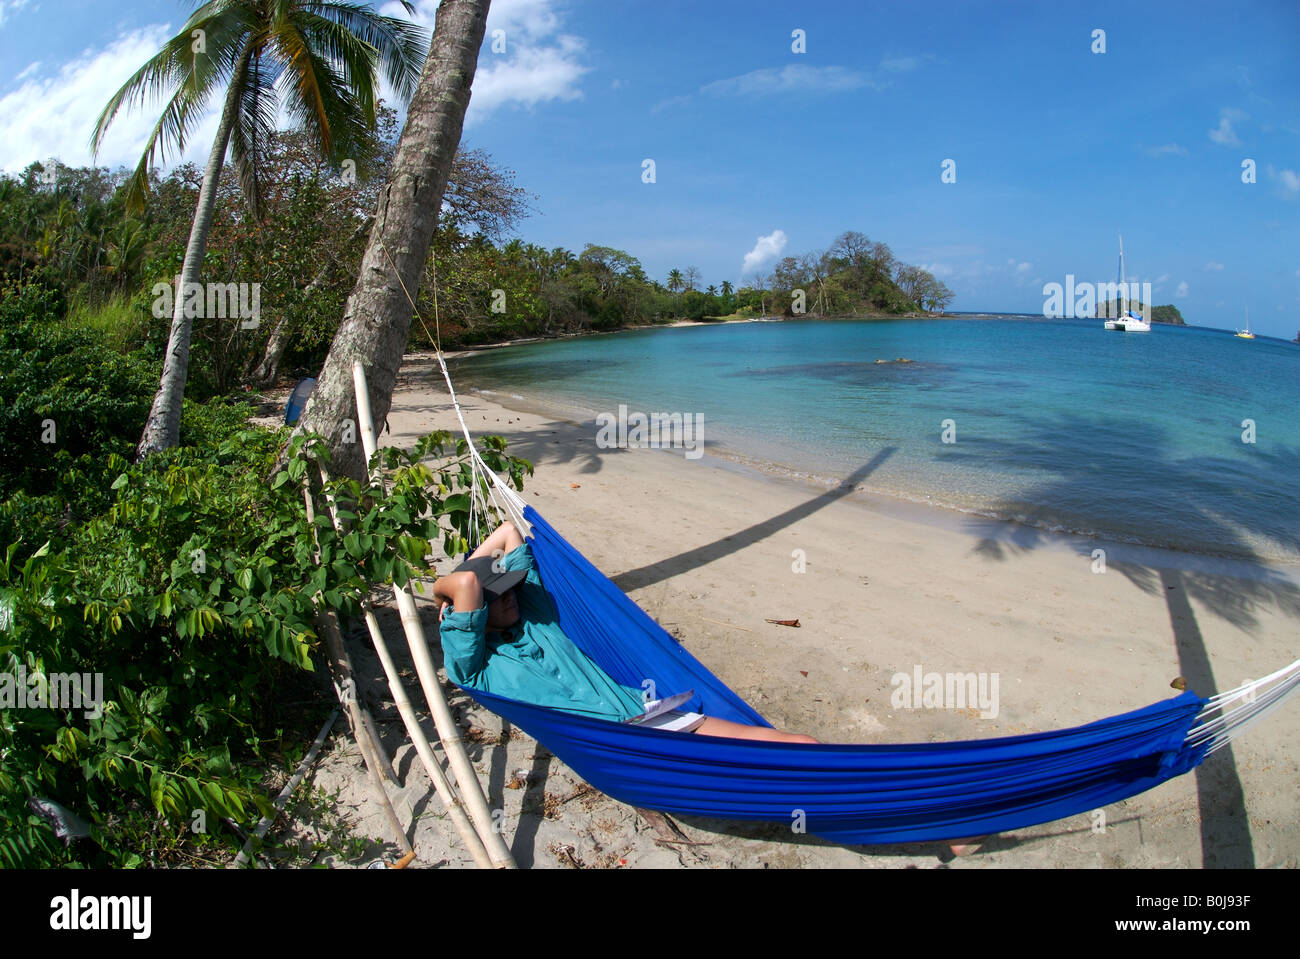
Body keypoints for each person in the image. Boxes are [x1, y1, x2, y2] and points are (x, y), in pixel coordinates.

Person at [431, 520, 817, 744]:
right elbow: (464, 584)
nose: (511, 597)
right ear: (474, 614)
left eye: (512, 589)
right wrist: (441, 593)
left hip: (642, 714)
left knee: (795, 746)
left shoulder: (535, 614)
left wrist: (479, 582)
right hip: (609, 743)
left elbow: (508, 530)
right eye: (497, 597)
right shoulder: (474, 664)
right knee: (755, 770)